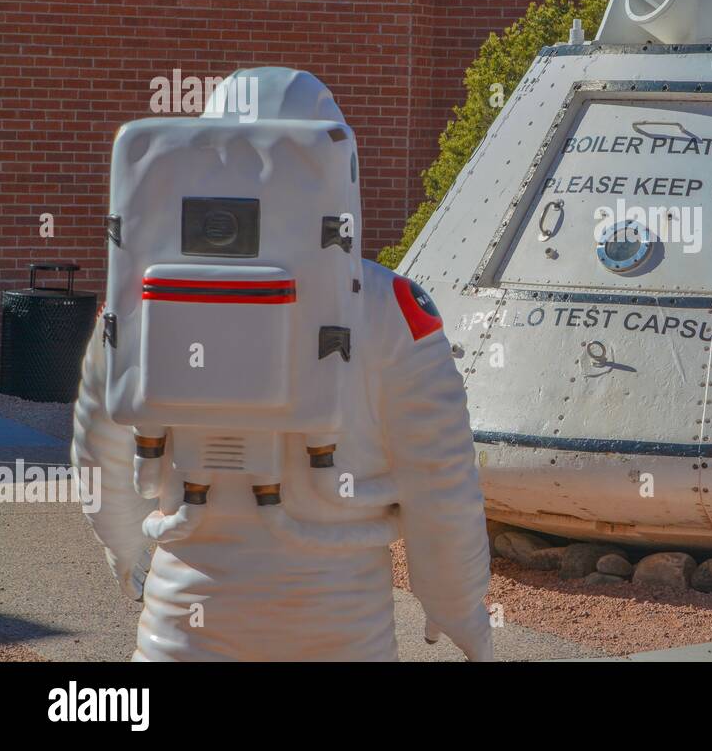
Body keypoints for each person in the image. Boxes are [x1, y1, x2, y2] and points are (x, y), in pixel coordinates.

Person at [72, 67, 493, 661]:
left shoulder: (137, 302)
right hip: (344, 635)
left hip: (182, 631)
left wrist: (125, 554)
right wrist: (460, 610)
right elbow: (443, 481)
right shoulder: (390, 308)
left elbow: (101, 454)